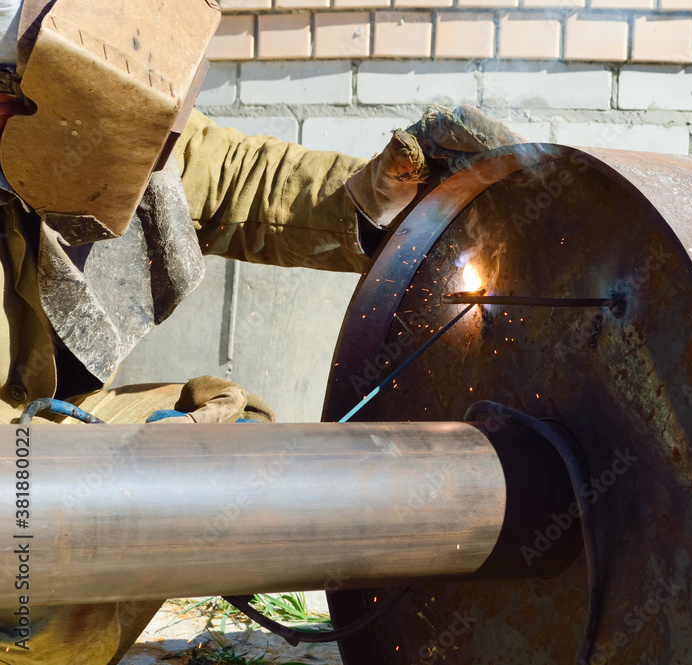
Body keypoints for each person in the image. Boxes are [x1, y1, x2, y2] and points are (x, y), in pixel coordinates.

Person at [0, 1, 522, 663]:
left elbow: (240, 177)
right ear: (16, 108)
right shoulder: (55, 122)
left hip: (27, 440)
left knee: (219, 439)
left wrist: (384, 194)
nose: (160, 155)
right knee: (87, 512)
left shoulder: (102, 123)